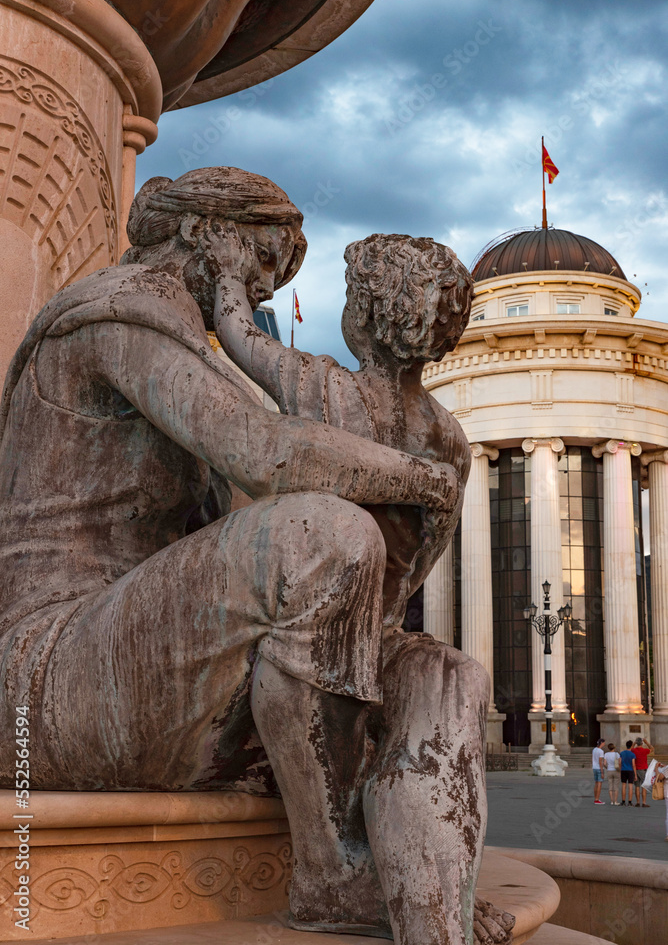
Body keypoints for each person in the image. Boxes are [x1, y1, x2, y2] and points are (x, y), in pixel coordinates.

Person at [0, 168, 513, 945]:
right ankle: (331, 873)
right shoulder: (120, 311)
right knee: (324, 536)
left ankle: (429, 904)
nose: (268, 291)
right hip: (46, 674)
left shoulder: (188, 342)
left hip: (135, 659)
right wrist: (420, 478)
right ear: (208, 235)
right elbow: (265, 454)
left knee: (444, 674)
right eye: (264, 261)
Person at [214, 230, 473, 629]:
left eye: (352, 298)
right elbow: (427, 554)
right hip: (381, 621)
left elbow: (236, 332)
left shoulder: (321, 383)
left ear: (364, 312)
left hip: (310, 615)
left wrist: (230, 269)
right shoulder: (451, 438)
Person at [633, 736, 654, 807]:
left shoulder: (634, 750)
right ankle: (644, 802)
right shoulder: (644, 750)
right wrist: (646, 742)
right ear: (642, 743)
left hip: (635, 770)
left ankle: (638, 802)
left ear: (637, 743)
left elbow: (630, 749)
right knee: (644, 786)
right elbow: (652, 749)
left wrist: (634, 743)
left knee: (637, 786)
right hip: (643, 770)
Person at [619, 740, 637, 805]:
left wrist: (621, 769)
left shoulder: (622, 753)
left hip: (623, 770)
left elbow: (619, 762)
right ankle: (630, 802)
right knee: (630, 786)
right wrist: (635, 774)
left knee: (623, 786)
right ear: (631, 746)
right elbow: (633, 764)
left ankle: (623, 801)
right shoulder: (632, 754)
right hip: (630, 771)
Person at [592, 737, 606, 804]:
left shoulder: (594, 749)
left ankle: (596, 798)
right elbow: (600, 762)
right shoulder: (601, 751)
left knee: (596, 783)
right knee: (599, 783)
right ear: (601, 743)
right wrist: (602, 772)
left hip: (594, 767)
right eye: (604, 743)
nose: (604, 744)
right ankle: (597, 799)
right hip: (599, 768)